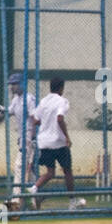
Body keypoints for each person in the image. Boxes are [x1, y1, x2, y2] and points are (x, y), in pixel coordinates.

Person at [29, 78, 82, 210]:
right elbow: (60, 118)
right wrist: (67, 137)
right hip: (58, 142)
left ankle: (34, 188)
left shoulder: (43, 101)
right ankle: (72, 201)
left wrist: (46, 123)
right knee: (67, 171)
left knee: (50, 172)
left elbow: (35, 121)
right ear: (61, 88)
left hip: (44, 142)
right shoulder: (62, 101)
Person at [3, 72, 37, 201]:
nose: (12, 87)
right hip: (22, 138)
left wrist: (33, 138)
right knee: (30, 170)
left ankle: (16, 199)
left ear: (22, 84)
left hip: (29, 137)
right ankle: (36, 197)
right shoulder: (16, 99)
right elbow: (10, 110)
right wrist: (2, 110)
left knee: (19, 166)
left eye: (15, 84)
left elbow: (34, 118)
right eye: (11, 84)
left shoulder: (29, 99)